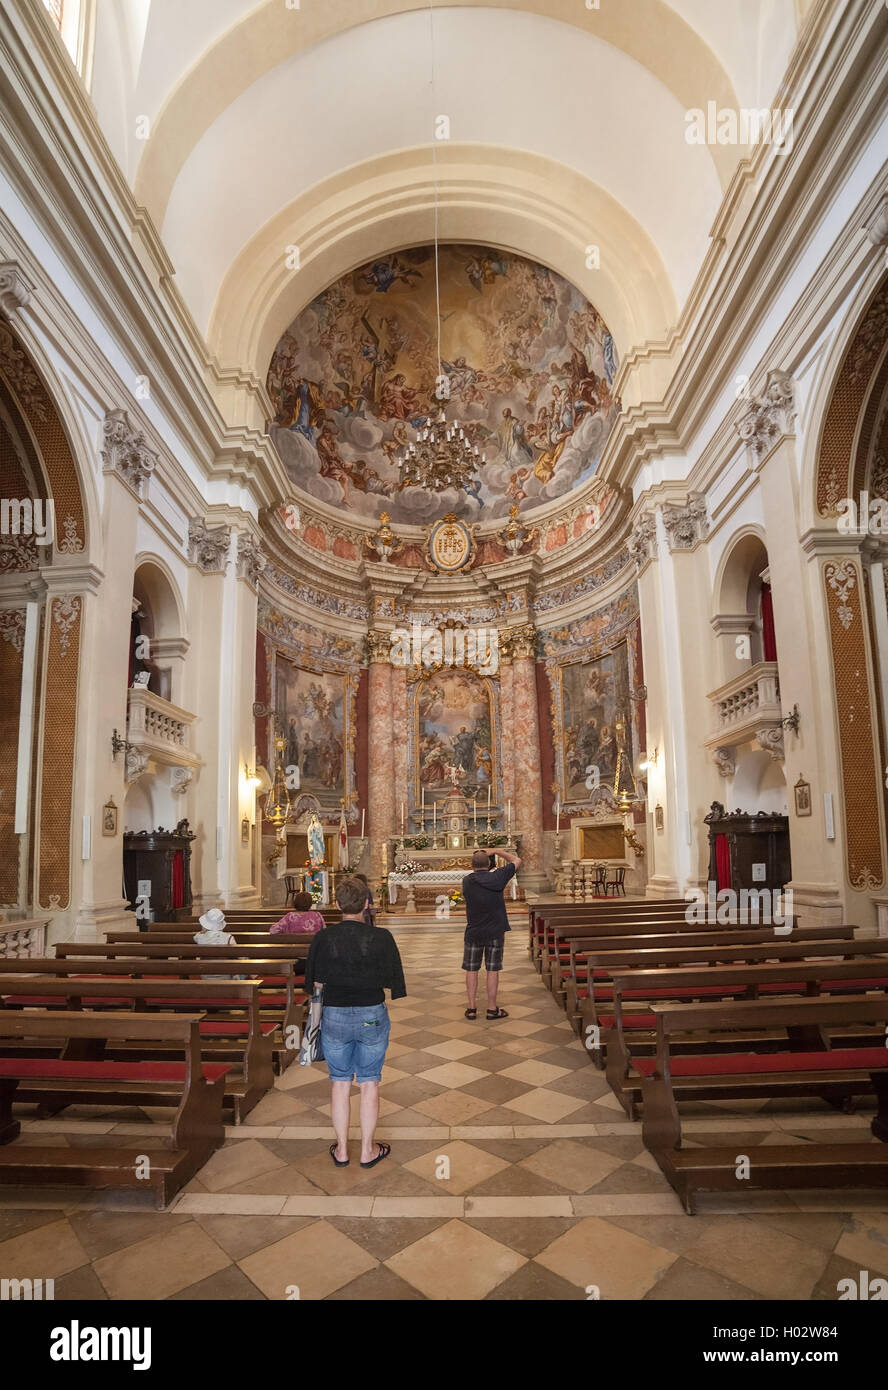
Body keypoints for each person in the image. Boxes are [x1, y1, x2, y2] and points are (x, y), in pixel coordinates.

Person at [304, 876, 406, 1169]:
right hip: (370, 1014)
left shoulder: (324, 937)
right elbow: (392, 979)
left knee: (339, 1082)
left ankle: (342, 1151)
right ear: (368, 904)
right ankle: (368, 1151)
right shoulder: (381, 937)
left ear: (337, 904)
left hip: (334, 1014)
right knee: (369, 1082)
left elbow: (314, 981)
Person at [461, 847, 522, 1021]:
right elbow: (517, 861)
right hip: (495, 930)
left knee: (471, 969)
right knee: (492, 970)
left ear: (472, 865)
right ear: (489, 863)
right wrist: (498, 850)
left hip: (474, 931)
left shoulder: (467, 881)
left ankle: (472, 1008)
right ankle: (492, 1009)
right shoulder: (498, 877)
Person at [193, 907, 236, 981]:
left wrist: (203, 931)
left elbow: (196, 936)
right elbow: (237, 954)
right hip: (225, 976)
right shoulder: (229, 938)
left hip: (205, 975)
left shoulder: (199, 937)